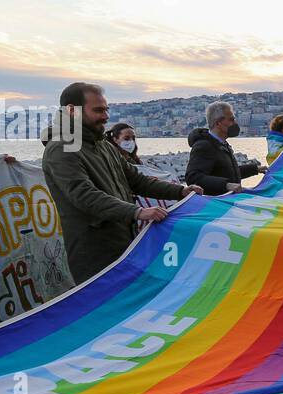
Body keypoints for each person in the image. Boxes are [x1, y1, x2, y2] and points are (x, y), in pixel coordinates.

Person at [42, 82, 199, 284]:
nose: (106, 116)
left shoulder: (104, 146)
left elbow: (136, 180)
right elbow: (84, 195)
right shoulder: (61, 149)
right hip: (95, 254)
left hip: (125, 243)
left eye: (106, 109)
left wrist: (181, 192)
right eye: (98, 110)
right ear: (72, 111)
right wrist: (136, 212)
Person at [185, 101, 265, 195]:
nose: (235, 123)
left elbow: (227, 172)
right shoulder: (204, 146)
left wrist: (255, 169)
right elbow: (193, 178)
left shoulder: (221, 144)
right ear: (218, 123)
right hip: (216, 205)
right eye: (231, 119)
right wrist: (226, 185)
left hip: (228, 200)